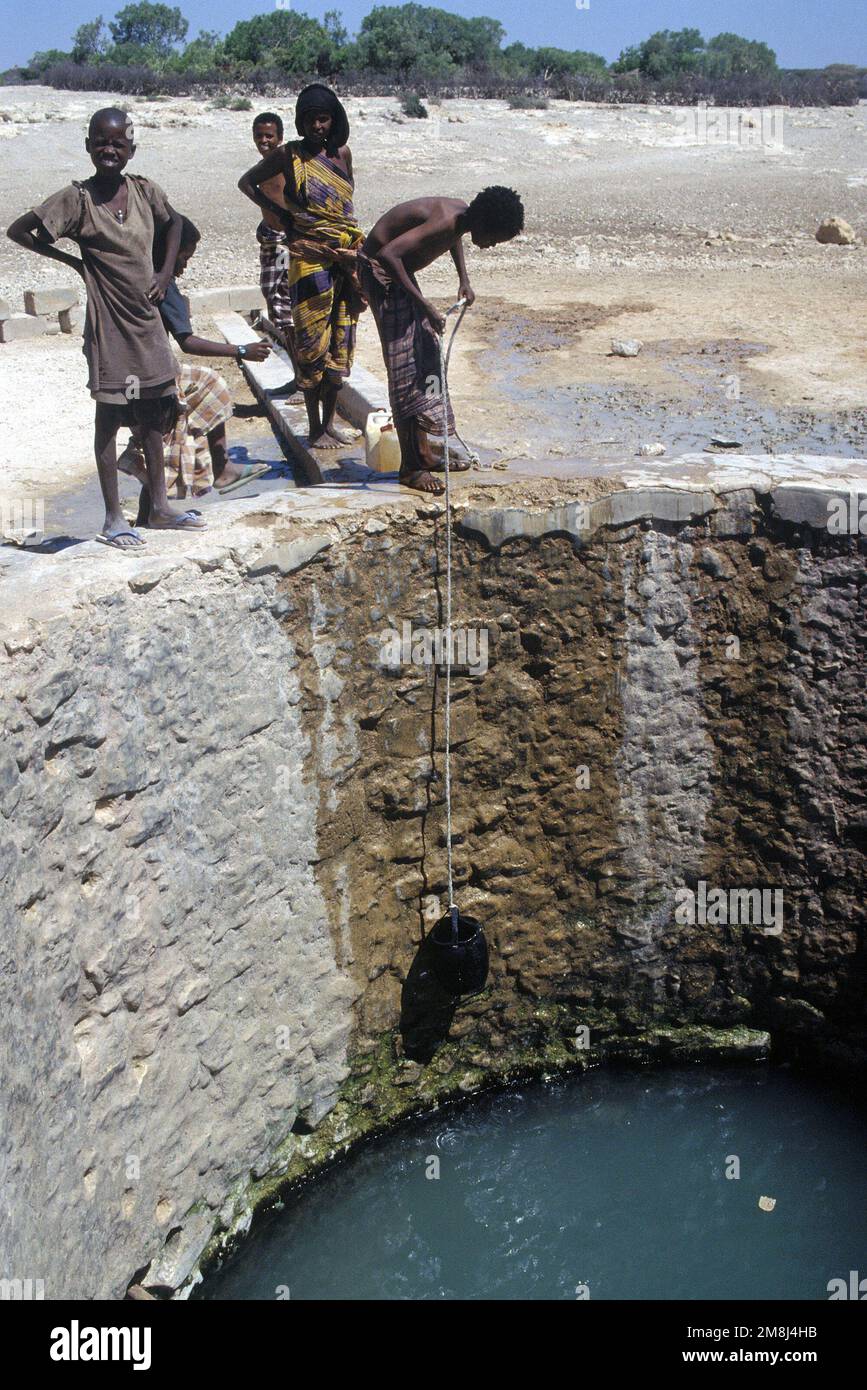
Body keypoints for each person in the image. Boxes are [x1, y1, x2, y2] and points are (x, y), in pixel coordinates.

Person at [6, 106, 204, 547]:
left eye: (118, 142)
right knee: (110, 414)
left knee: (154, 410)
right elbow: (19, 231)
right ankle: (114, 517)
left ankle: (158, 506)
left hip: (146, 319)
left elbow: (175, 226)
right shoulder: (77, 200)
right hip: (110, 324)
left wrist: (165, 273)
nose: (109, 149)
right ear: (88, 145)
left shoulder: (145, 190)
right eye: (101, 141)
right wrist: (75, 262)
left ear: (131, 148)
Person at [359, 187, 524, 495]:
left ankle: (422, 452)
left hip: (399, 274)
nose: (488, 247)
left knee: (428, 359)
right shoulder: (446, 220)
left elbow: (454, 238)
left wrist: (464, 279)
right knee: (405, 370)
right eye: (493, 240)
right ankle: (411, 468)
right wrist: (425, 305)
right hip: (381, 276)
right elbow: (387, 255)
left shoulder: (462, 215)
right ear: (485, 222)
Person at [239, 84, 365, 449]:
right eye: (310, 119)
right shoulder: (289, 155)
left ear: (334, 120)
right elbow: (247, 182)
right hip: (309, 259)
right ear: (300, 121)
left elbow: (345, 201)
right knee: (311, 343)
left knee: (341, 342)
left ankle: (329, 424)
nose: (317, 126)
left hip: (344, 260)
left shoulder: (343, 155)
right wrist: (282, 215)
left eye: (323, 119)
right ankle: (314, 428)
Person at [119, 216, 273, 500]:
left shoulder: (134, 273)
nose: (184, 266)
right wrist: (241, 351)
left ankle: (215, 469)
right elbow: (187, 341)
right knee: (208, 388)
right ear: (170, 251)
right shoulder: (163, 284)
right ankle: (219, 468)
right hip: (151, 372)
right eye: (184, 257)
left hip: (124, 371)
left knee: (172, 421)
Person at [250, 110, 299, 389]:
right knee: (274, 299)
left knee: (285, 308)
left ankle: (302, 378)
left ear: (280, 138)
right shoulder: (261, 168)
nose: (264, 141)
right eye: (259, 136)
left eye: (269, 136)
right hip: (271, 240)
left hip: (285, 242)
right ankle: (299, 374)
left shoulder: (286, 166)